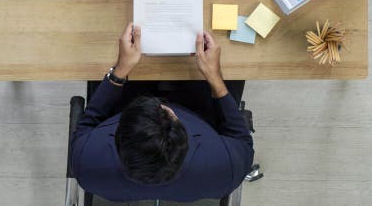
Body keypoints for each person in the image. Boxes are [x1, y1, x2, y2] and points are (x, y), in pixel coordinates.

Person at [69, 24, 254, 202]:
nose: (162, 104)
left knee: (100, 53)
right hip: (197, 111)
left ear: (117, 137)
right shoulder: (226, 168)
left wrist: (119, 71)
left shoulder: (86, 164)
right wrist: (214, 76)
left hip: (129, 104)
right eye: (166, 111)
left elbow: (87, 124)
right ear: (182, 135)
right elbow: (240, 138)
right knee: (230, 62)